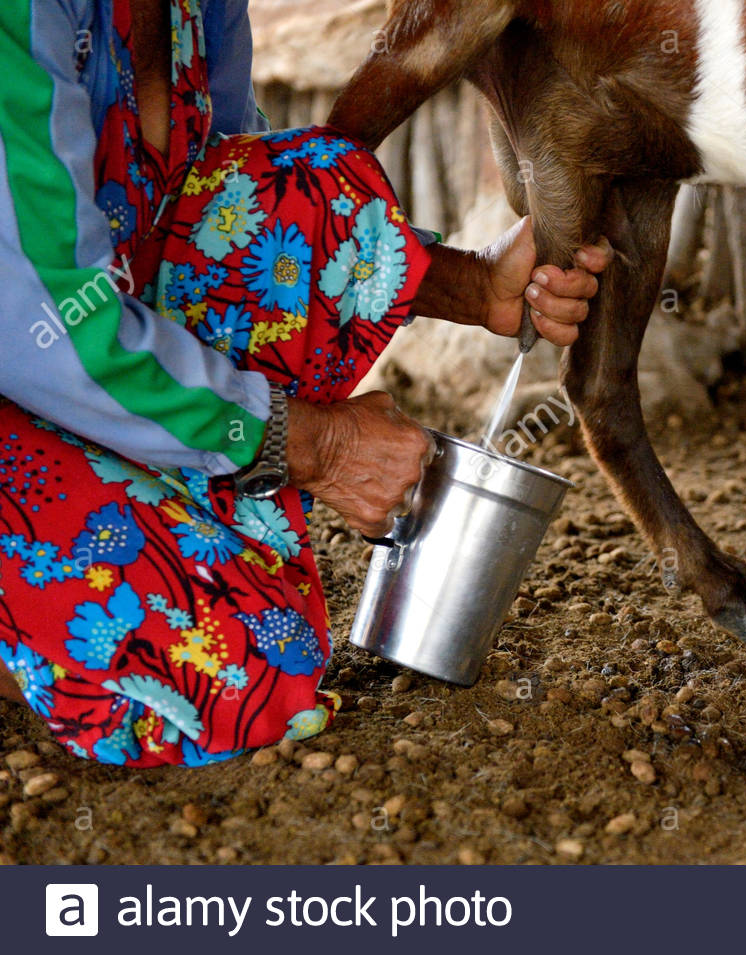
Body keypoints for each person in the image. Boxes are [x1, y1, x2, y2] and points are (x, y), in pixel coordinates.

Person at [0, 0, 612, 766]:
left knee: (315, 197)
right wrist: (311, 443)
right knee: (241, 677)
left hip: (81, 363)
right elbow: (51, 318)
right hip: (30, 357)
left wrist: (473, 285)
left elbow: (224, 200)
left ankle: (149, 524)